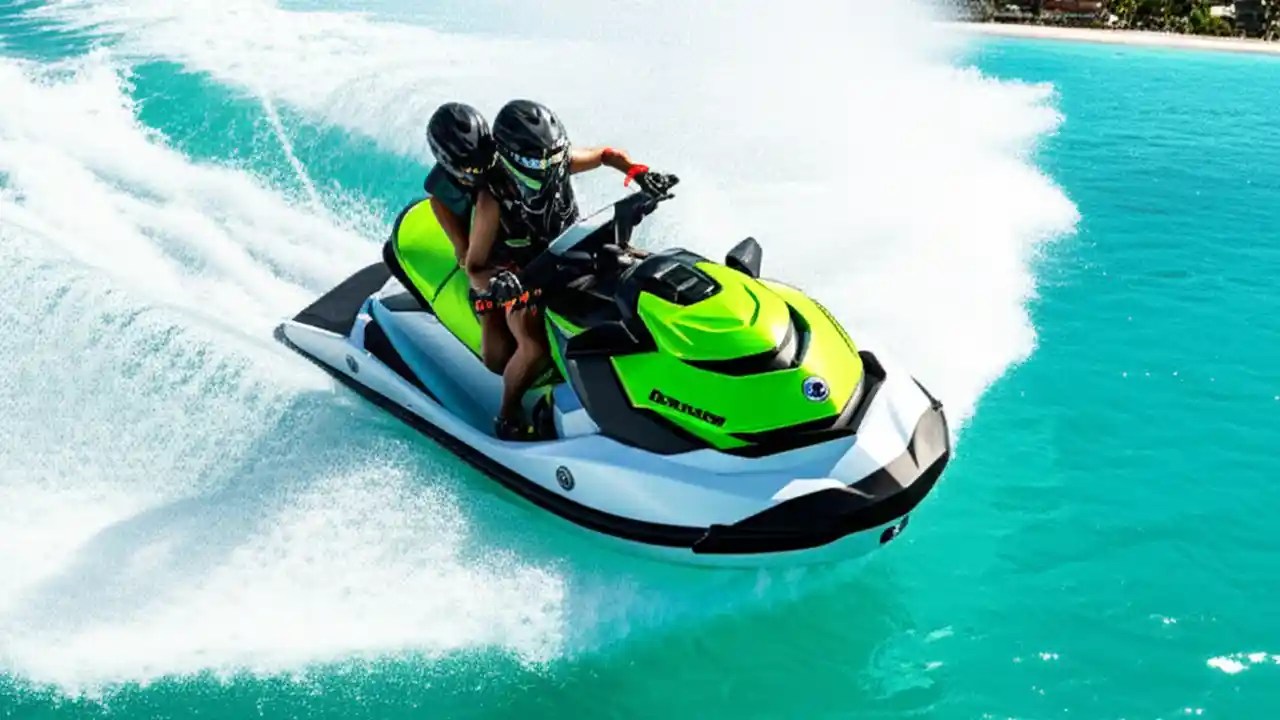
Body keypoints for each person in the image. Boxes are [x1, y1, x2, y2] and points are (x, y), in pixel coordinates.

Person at [464, 99, 677, 441]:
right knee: (532, 345)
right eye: (539, 159)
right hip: (524, 275)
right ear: (512, 156)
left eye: (555, 155)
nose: (549, 166)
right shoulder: (492, 197)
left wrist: (639, 173)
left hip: (573, 253)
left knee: (640, 276)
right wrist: (503, 282)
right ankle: (506, 415)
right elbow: (474, 266)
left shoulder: (559, 163)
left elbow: (606, 154)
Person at [422, 101, 517, 374]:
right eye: (471, 169)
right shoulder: (444, 184)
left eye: (485, 159)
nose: (481, 170)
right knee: (496, 359)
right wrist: (466, 251)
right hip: (489, 261)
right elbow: (466, 255)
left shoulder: (504, 155)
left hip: (523, 241)